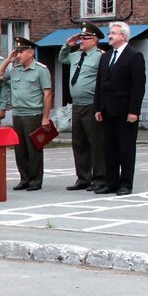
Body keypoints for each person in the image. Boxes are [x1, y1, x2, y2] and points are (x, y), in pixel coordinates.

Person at [93, 21, 146, 196]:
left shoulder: (134, 56)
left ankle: (126, 184)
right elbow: (100, 84)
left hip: (125, 111)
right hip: (107, 110)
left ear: (123, 36)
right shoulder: (106, 57)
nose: (109, 36)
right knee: (109, 148)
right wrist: (98, 108)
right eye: (110, 33)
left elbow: (138, 86)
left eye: (113, 33)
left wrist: (134, 111)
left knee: (126, 148)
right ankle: (111, 182)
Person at [0, 36, 52, 191]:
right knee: (20, 150)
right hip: (17, 114)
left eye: (21, 52)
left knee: (34, 149)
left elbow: (47, 94)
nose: (18, 55)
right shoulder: (15, 71)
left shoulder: (41, 70)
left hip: (33, 114)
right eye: (17, 52)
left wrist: (45, 117)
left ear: (31, 53)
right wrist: (8, 60)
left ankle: (35, 180)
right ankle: (24, 178)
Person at [57, 21, 107, 191]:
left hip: (92, 104)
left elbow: (104, 81)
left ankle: (99, 178)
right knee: (79, 143)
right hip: (77, 105)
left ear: (94, 40)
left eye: (85, 39)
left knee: (96, 142)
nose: (81, 42)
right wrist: (67, 45)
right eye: (80, 39)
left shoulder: (101, 56)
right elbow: (62, 58)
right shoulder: (76, 55)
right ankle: (83, 177)